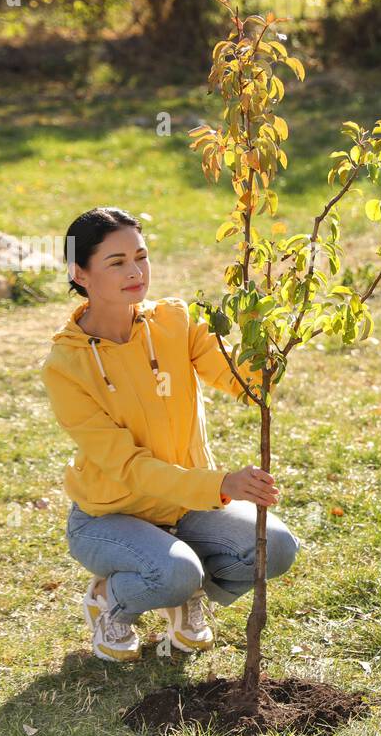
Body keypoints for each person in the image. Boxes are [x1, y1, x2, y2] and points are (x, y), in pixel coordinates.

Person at [40, 207, 298, 662]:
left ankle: (183, 589)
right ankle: (112, 601)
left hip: (186, 504)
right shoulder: (66, 367)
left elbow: (246, 383)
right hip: (110, 517)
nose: (135, 272)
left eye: (141, 256)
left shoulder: (175, 321)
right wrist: (219, 485)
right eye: (116, 263)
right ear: (80, 273)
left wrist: (266, 332)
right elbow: (129, 467)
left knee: (275, 548)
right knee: (174, 571)